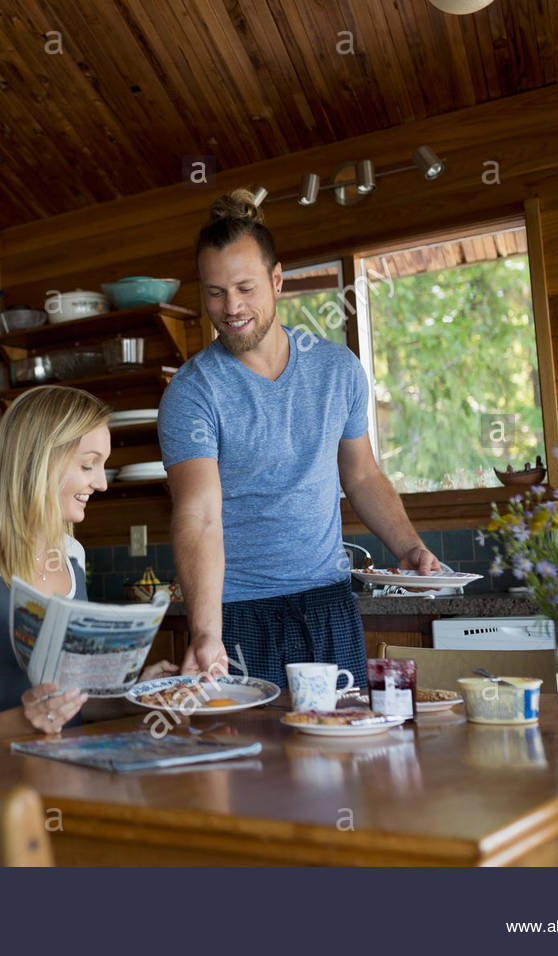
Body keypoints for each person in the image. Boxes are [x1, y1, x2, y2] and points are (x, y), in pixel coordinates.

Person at [158, 188, 441, 691]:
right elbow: (199, 513)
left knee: (344, 760)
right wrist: (205, 631)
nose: (231, 307)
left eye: (245, 288)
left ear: (277, 279)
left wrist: (409, 546)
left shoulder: (337, 370)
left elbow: (362, 474)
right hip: (236, 613)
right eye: (215, 292)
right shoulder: (192, 392)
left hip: (328, 604)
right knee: (250, 765)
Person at [0, 385, 177, 748]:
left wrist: (135, 695)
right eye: (88, 465)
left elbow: (72, 708)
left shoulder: (72, 556)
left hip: (67, 771)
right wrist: (23, 720)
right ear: (40, 463)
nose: (101, 483)